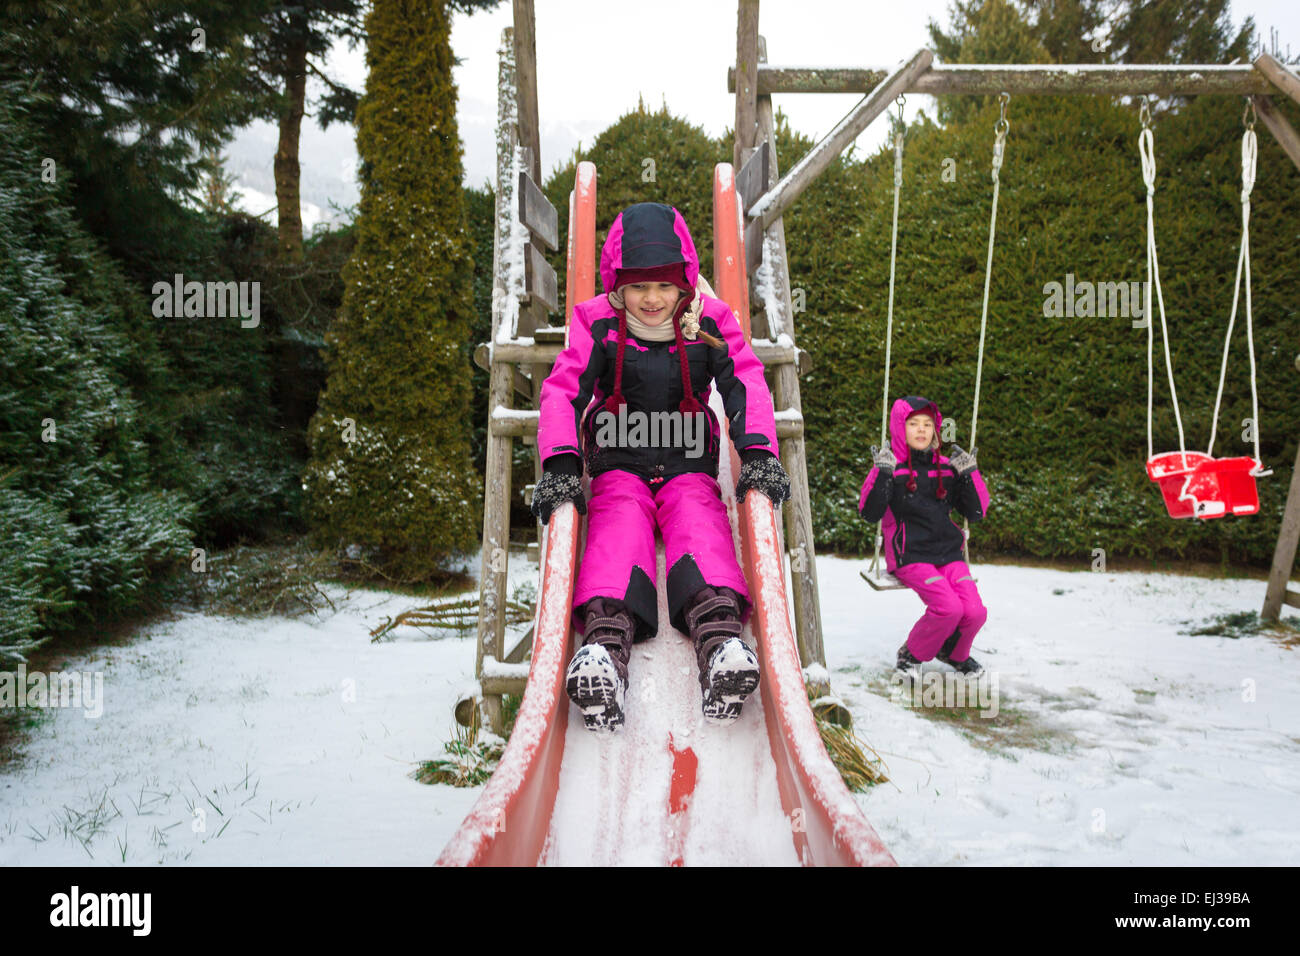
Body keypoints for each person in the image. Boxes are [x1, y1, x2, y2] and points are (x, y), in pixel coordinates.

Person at [531, 202, 790, 731]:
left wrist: (759, 453)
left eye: (665, 286)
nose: (652, 299)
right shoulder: (597, 324)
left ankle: (720, 647)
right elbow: (562, 391)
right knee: (617, 530)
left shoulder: (709, 324)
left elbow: (746, 380)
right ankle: (604, 654)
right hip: (619, 462)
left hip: (687, 461)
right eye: (638, 287)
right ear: (617, 286)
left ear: (685, 284)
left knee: (701, 523)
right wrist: (561, 462)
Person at [858, 396, 990, 679]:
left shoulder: (948, 467)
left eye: (928, 424)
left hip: (948, 553)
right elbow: (870, 513)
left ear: (936, 429)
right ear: (899, 429)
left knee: (975, 612)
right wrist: (882, 474)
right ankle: (911, 654)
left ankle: (953, 654)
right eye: (913, 424)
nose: (921, 430)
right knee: (949, 608)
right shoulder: (891, 467)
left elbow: (976, 511)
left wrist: (969, 474)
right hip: (911, 555)